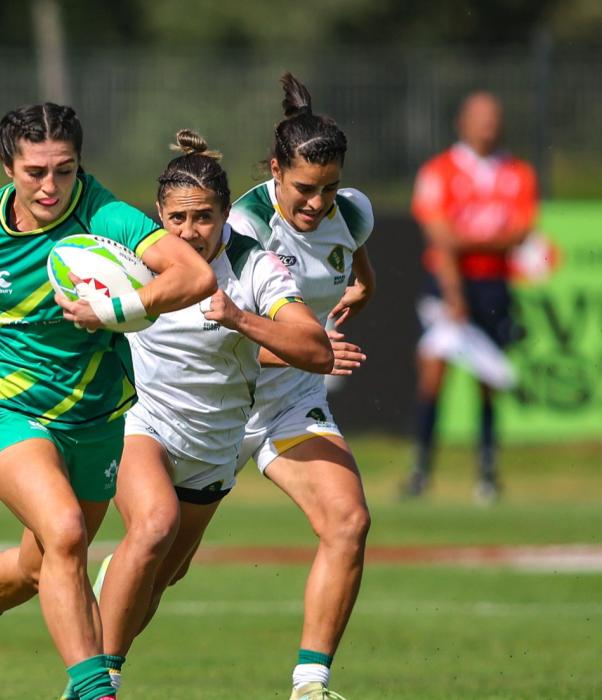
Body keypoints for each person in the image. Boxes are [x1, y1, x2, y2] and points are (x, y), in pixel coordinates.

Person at [0, 103, 216, 700]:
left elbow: (196, 276)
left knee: (38, 565)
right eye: (35, 172)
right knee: (66, 533)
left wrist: (118, 308)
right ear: (8, 167)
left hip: (97, 420)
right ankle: (93, 690)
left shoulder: (104, 215)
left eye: (65, 170)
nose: (51, 187)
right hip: (7, 411)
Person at [63, 129, 342, 700]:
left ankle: (118, 603)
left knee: (160, 579)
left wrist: (240, 318)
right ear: (158, 214)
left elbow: (316, 350)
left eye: (204, 218)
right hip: (142, 423)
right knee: (153, 525)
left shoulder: (256, 267)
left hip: (213, 448)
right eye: (177, 218)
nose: (189, 232)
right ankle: (97, 686)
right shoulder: (137, 258)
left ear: (225, 214)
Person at [227, 73, 376, 700]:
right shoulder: (243, 225)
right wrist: (312, 350)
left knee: (348, 521)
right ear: (275, 171)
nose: (318, 204)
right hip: (219, 404)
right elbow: (224, 339)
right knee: (161, 558)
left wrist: (357, 295)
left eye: (330, 188)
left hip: (290, 401)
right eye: (305, 189)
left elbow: (357, 273)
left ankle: (309, 687)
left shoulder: (353, 212)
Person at [402, 91, 538, 504]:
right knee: (433, 372)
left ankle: (488, 473)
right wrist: (455, 289)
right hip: (446, 284)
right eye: (480, 118)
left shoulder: (518, 172)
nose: (488, 126)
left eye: (494, 118)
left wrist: (469, 240)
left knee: (488, 378)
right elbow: (440, 236)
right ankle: (421, 469)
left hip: (494, 286)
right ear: (462, 122)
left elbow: (521, 232)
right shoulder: (438, 171)